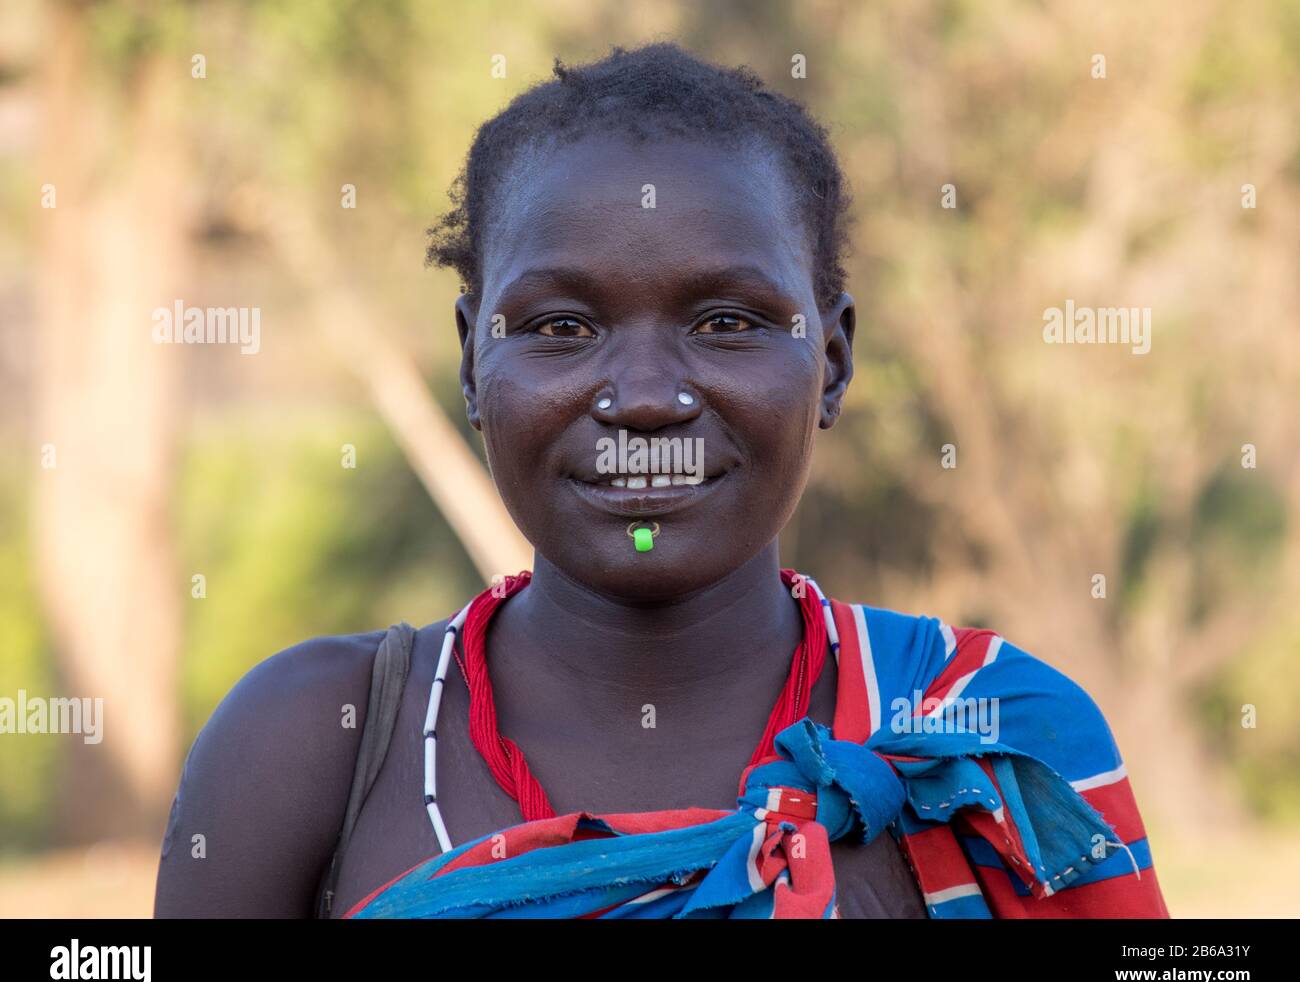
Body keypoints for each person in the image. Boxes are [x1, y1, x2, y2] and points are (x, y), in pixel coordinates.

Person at [154, 42, 1168, 919]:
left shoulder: (989, 736)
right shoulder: (313, 746)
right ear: (472, 364)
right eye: (562, 327)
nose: (643, 397)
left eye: (726, 322)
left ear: (834, 361)